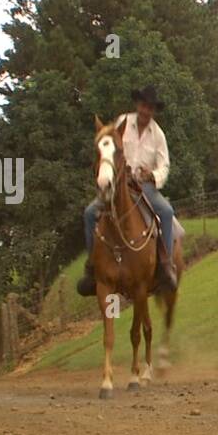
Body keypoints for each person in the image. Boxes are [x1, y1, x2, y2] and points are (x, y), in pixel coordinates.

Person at [77, 84, 178, 295]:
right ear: (137, 105)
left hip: (144, 187)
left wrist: (153, 175)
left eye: (149, 108)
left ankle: (166, 265)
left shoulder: (158, 134)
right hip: (120, 182)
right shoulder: (123, 122)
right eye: (143, 106)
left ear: (153, 111)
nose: (145, 111)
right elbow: (109, 142)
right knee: (89, 214)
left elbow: (165, 165)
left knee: (166, 213)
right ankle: (92, 267)